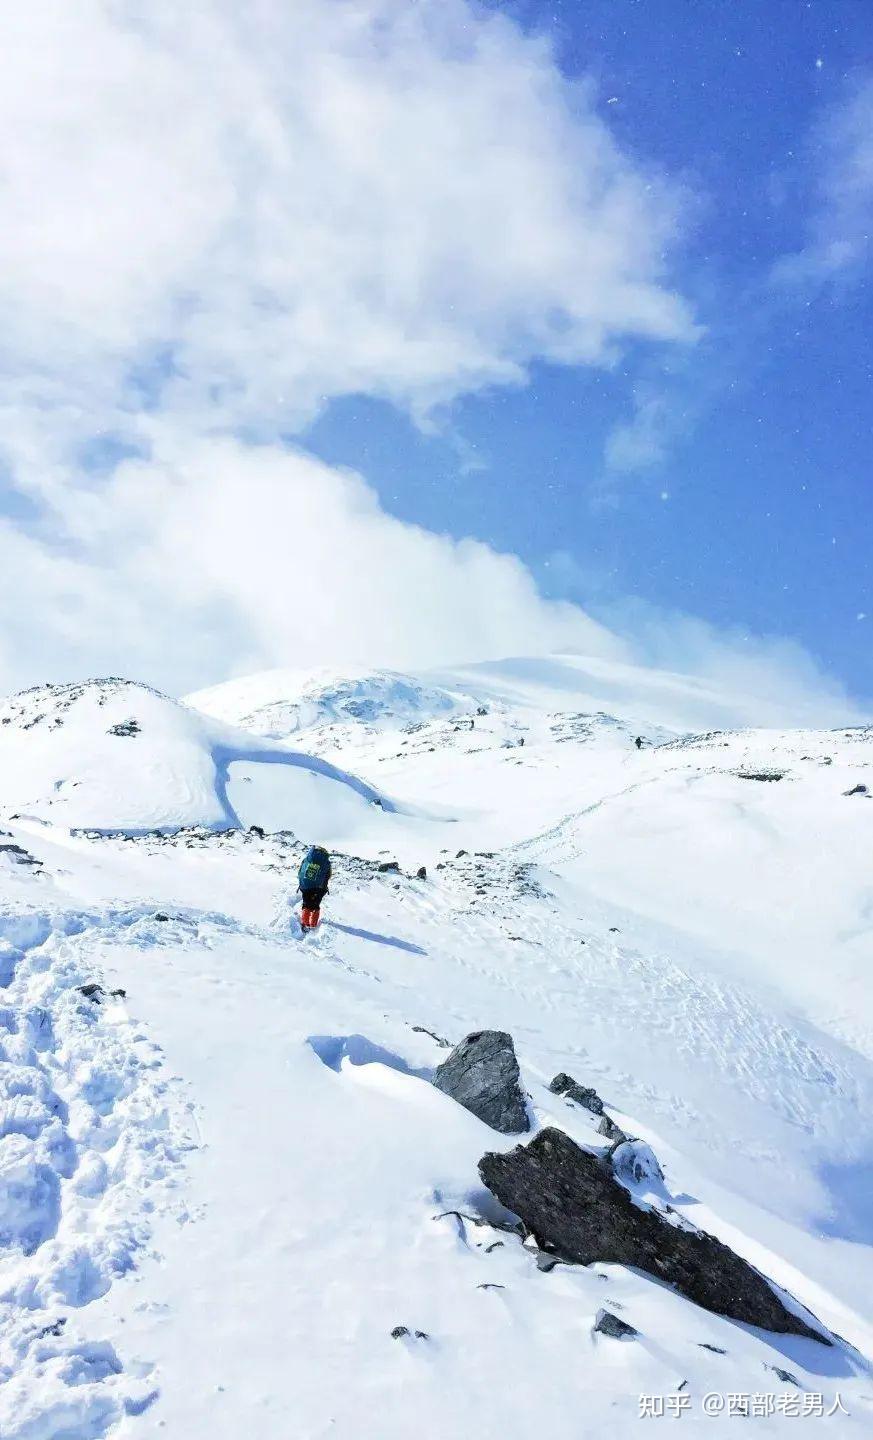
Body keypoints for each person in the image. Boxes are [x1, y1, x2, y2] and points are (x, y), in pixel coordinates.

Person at [298, 844, 332, 930]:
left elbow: (300, 871)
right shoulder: (326, 862)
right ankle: (313, 926)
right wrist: (323, 887)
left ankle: (305, 923)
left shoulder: (307, 859)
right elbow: (328, 875)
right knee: (316, 905)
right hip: (318, 887)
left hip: (305, 885)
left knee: (306, 903)